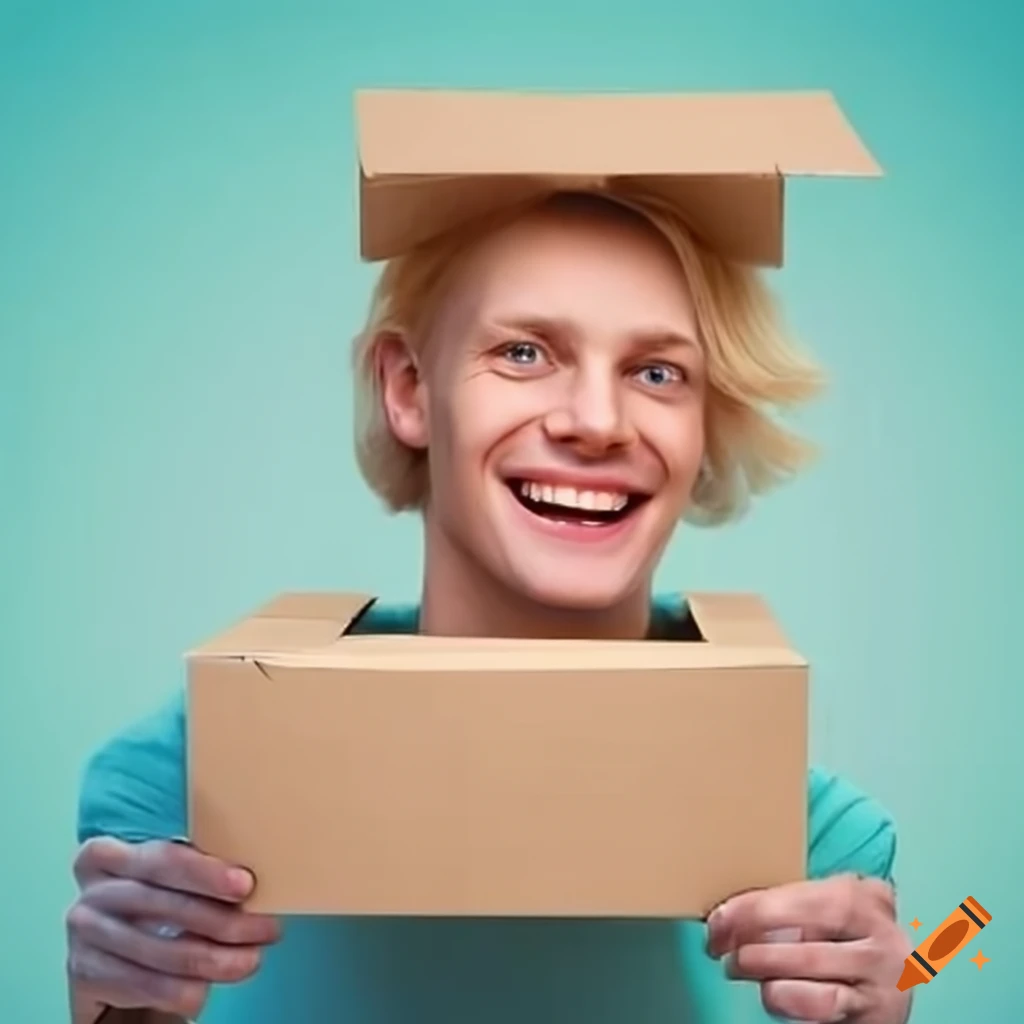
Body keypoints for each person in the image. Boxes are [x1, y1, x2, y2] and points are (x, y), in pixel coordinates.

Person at [67, 188, 913, 1024]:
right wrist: (107, 1009)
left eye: (657, 372)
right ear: (407, 388)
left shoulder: (817, 844)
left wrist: (921, 979)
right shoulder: (183, 786)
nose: (596, 422)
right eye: (523, 353)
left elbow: (970, 935)